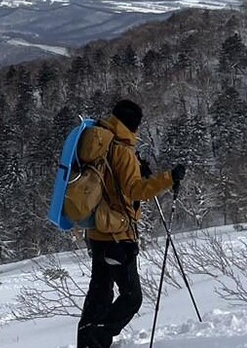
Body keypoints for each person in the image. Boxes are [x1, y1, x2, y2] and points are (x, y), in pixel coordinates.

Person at [77, 99, 186, 348]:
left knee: (99, 294)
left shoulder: (100, 141)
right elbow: (136, 191)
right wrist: (168, 178)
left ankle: (86, 341)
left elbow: (112, 180)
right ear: (133, 124)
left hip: (97, 232)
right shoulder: (123, 151)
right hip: (117, 235)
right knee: (131, 297)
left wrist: (137, 167)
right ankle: (99, 338)